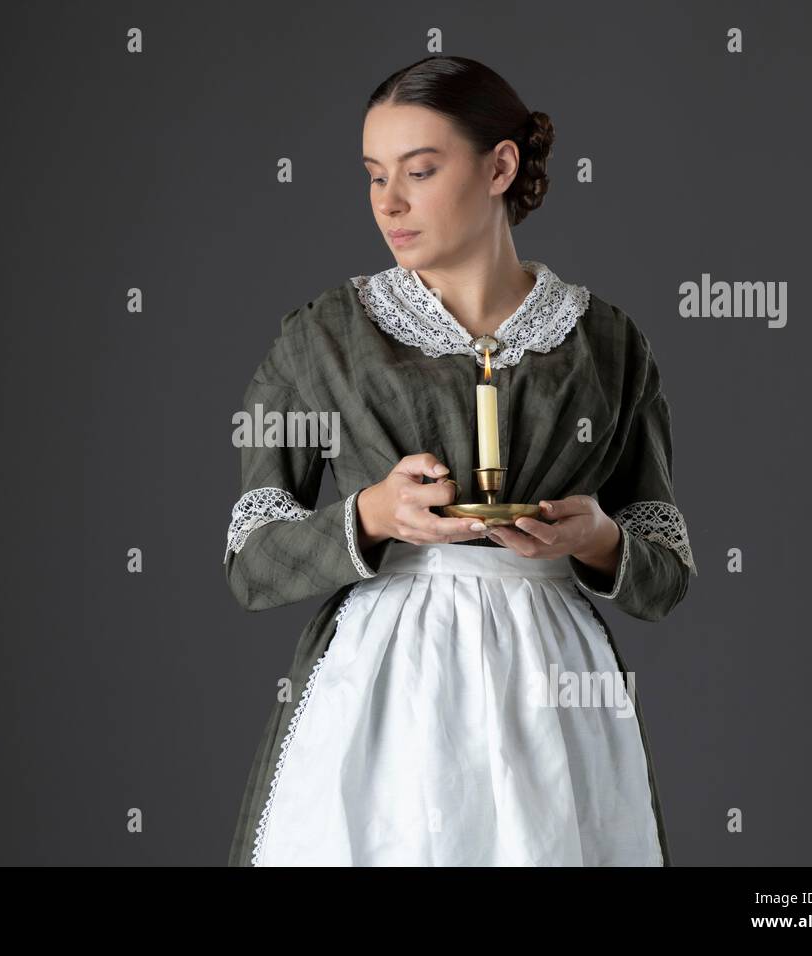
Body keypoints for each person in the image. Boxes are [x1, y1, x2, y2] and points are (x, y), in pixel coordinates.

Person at [223, 55, 697, 866]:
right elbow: (251, 563)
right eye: (374, 175)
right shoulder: (323, 339)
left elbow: (667, 574)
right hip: (381, 692)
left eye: (420, 170)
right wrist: (370, 515)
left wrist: (595, 540)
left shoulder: (610, 347)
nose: (389, 202)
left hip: (555, 692)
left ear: (500, 167)